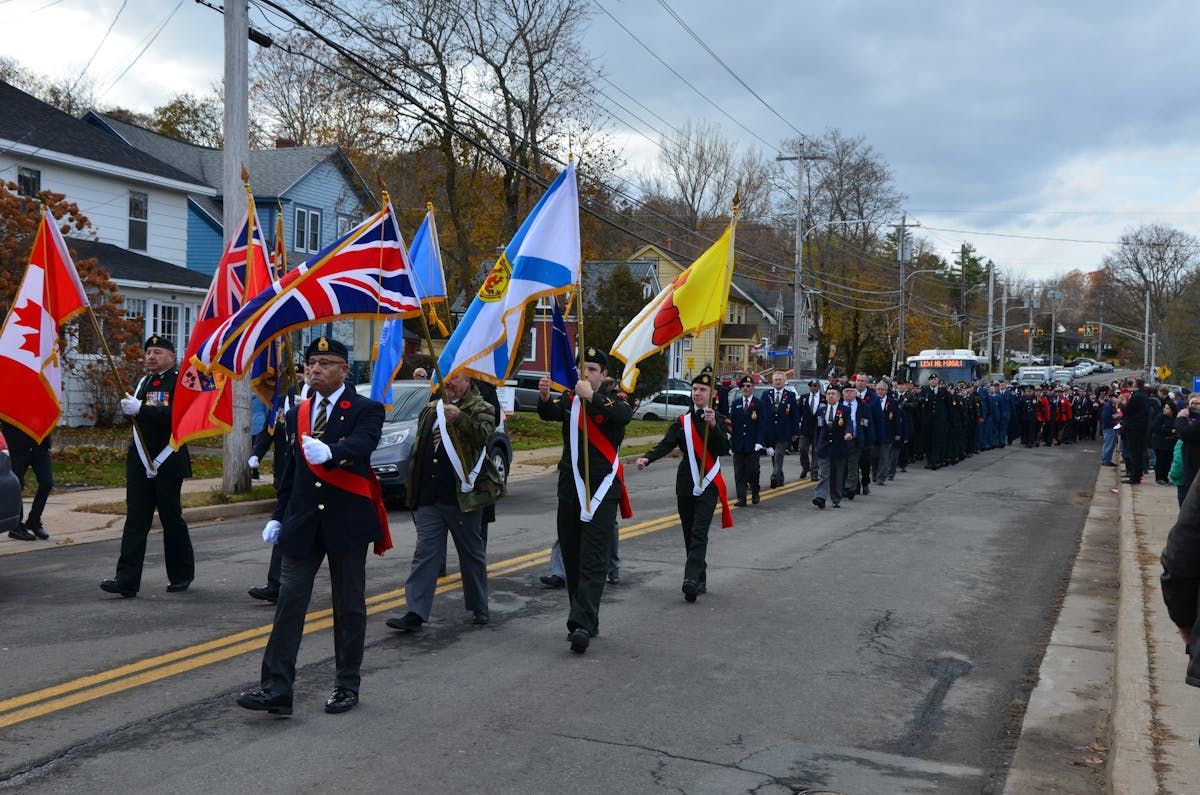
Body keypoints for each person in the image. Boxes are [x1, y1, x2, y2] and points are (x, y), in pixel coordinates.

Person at [238, 337, 390, 717]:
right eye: (311, 363)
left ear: (344, 369)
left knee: (348, 605)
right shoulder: (297, 413)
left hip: (347, 521)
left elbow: (362, 444)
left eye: (325, 362)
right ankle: (276, 687)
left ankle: (346, 684)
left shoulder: (365, 409)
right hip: (303, 521)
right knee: (289, 601)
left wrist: (334, 452)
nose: (316, 369)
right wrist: (278, 514)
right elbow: (292, 471)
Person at [385, 372, 500, 634]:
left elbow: (483, 436)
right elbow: (420, 451)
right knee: (425, 554)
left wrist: (460, 419)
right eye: (444, 377)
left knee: (471, 554)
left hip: (462, 497)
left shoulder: (482, 408)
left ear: (468, 381)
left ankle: (478, 605)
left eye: (454, 378)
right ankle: (416, 611)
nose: (448, 383)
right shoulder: (430, 409)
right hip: (429, 497)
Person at [536, 348, 632, 653]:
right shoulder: (571, 398)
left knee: (593, 557)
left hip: (602, 488)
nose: (586, 374)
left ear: (603, 375)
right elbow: (550, 413)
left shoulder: (614, 398)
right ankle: (586, 618)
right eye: (583, 369)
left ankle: (579, 623)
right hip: (570, 486)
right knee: (573, 554)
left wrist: (591, 397)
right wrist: (542, 397)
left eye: (592, 369)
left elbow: (622, 417)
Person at [100, 336, 194, 598]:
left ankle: (181, 574)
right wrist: (130, 410)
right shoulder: (143, 382)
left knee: (171, 519)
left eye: (158, 352)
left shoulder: (179, 381)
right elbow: (139, 418)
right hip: (140, 460)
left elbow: (177, 417)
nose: (151, 356)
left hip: (168, 459)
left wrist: (140, 409)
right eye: (148, 352)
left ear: (171, 357)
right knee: (135, 521)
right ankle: (126, 580)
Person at [636, 371, 731, 603]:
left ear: (713, 395)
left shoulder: (719, 419)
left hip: (708, 484)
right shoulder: (682, 422)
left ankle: (689, 579)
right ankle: (699, 575)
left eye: (703, 390)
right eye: (695, 389)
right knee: (689, 533)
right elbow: (666, 444)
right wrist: (647, 458)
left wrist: (713, 426)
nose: (698, 393)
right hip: (686, 483)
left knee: (699, 533)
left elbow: (722, 449)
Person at [247, 362, 311, 604]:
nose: (303, 376)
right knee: (282, 529)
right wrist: (257, 453)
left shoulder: (319, 398)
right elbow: (269, 430)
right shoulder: (283, 400)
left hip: (315, 480)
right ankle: (275, 585)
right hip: (287, 477)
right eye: (295, 374)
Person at [1, 421, 53, 540]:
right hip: (17, 447)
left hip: (40, 446)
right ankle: (16, 527)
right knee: (17, 485)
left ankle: (34, 521)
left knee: (47, 482)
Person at [728, 375, 769, 506]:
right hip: (738, 443)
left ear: (753, 388)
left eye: (748, 386)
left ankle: (755, 491)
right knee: (739, 472)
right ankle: (741, 498)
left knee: (753, 470)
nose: (745, 388)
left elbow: (762, 425)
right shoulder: (736, 404)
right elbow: (731, 425)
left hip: (753, 444)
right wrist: (730, 442)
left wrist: (759, 442)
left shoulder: (759, 404)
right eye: (743, 386)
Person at [812, 386, 854, 509]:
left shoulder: (844, 410)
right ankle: (820, 497)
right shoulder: (821, 410)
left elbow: (849, 424)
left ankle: (836, 498)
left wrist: (848, 433)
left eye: (833, 394)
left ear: (838, 396)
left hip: (839, 447)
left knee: (836, 475)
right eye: (828, 393)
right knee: (824, 474)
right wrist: (816, 445)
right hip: (824, 447)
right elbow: (818, 429)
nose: (830, 396)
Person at [763, 372, 798, 488]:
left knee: (779, 454)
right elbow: (762, 414)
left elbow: (795, 415)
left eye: (780, 379)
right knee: (774, 456)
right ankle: (780, 477)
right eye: (776, 380)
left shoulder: (790, 395)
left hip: (784, 431)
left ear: (784, 381)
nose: (778, 381)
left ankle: (774, 476)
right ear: (772, 382)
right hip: (770, 431)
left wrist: (795, 432)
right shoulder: (766, 394)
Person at [1122, 378, 1152, 485]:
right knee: (1138, 453)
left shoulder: (1137, 396)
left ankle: (1135, 477)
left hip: (1135, 428)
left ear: (1136, 385)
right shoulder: (1145, 396)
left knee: (1135, 453)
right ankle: (1137, 475)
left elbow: (1127, 410)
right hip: (1142, 428)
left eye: (1133, 383)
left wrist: (1122, 403)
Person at [796, 380, 823, 481]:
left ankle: (814, 472)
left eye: (815, 385)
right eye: (811, 386)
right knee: (803, 449)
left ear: (819, 387)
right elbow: (799, 412)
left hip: (818, 428)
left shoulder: (823, 398)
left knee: (816, 451)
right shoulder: (804, 398)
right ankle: (805, 467)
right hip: (805, 428)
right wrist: (797, 424)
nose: (813, 387)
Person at [1152, 401, 1179, 486]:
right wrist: (1171, 431)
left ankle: (1165, 478)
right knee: (1160, 461)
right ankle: (1159, 478)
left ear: (1172, 410)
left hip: (1171, 443)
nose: (1165, 409)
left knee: (1168, 461)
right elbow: (1156, 429)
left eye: (1167, 408)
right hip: (1160, 442)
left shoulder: (1175, 418)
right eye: (1165, 408)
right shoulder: (1160, 417)